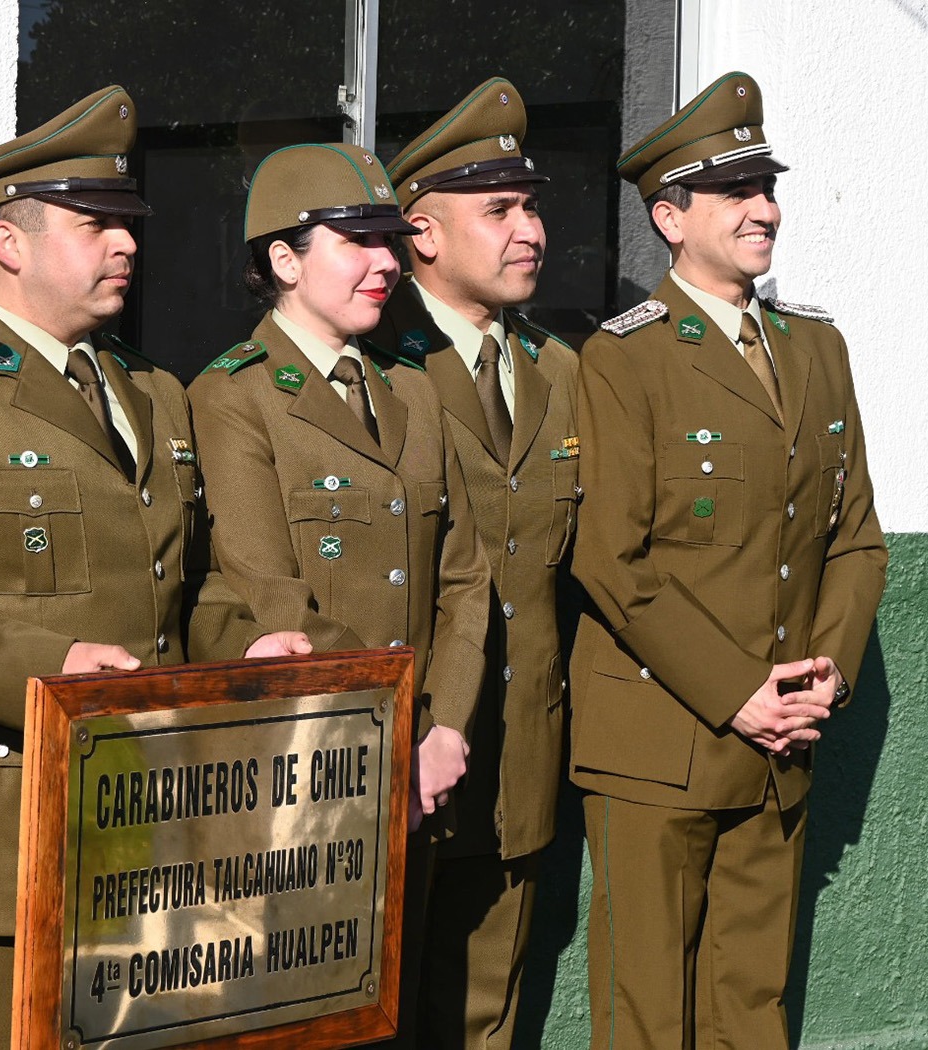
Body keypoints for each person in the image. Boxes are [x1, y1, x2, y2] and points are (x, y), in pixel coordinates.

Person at [0, 86, 309, 1050]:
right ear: (9, 244)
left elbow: (191, 586)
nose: (126, 245)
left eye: (126, 225)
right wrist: (52, 665)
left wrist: (253, 642)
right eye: (94, 225)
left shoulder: (153, 390)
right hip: (6, 820)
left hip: (147, 821)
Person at [569, 72, 888, 1049]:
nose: (766, 210)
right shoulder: (624, 357)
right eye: (737, 192)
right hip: (658, 741)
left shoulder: (814, 348)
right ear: (670, 217)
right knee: (648, 1012)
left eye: (770, 187)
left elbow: (854, 536)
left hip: (782, 735)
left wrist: (821, 674)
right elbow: (611, 560)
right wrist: (736, 691)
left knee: (753, 1008)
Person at [186, 141, 492, 1046]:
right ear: (283, 260)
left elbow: (463, 574)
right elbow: (269, 593)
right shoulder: (233, 396)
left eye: (390, 241)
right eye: (356, 240)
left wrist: (445, 727)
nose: (386, 262)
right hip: (308, 780)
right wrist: (393, 736)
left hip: (420, 770)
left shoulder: (411, 390)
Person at [369, 76, 576, 1048]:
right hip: (402, 762)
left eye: (530, 206)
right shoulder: (372, 370)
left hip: (521, 761)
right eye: (499, 210)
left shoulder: (559, 372)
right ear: (421, 234)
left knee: (491, 1020)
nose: (529, 230)